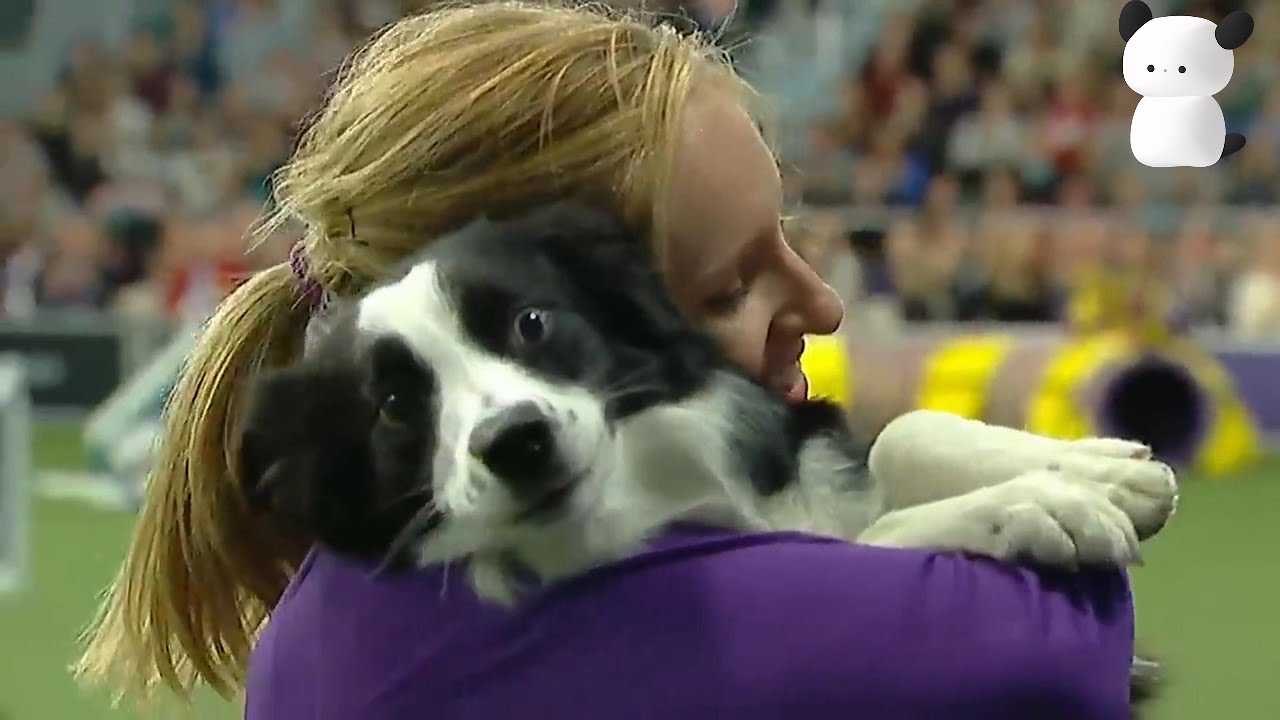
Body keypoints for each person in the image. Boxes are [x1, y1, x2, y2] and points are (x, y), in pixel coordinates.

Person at [76, 4, 1138, 718]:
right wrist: (935, 478)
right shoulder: (584, 609)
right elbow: (1057, 639)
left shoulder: (362, 595)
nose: (815, 304)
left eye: (790, 231)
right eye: (726, 288)